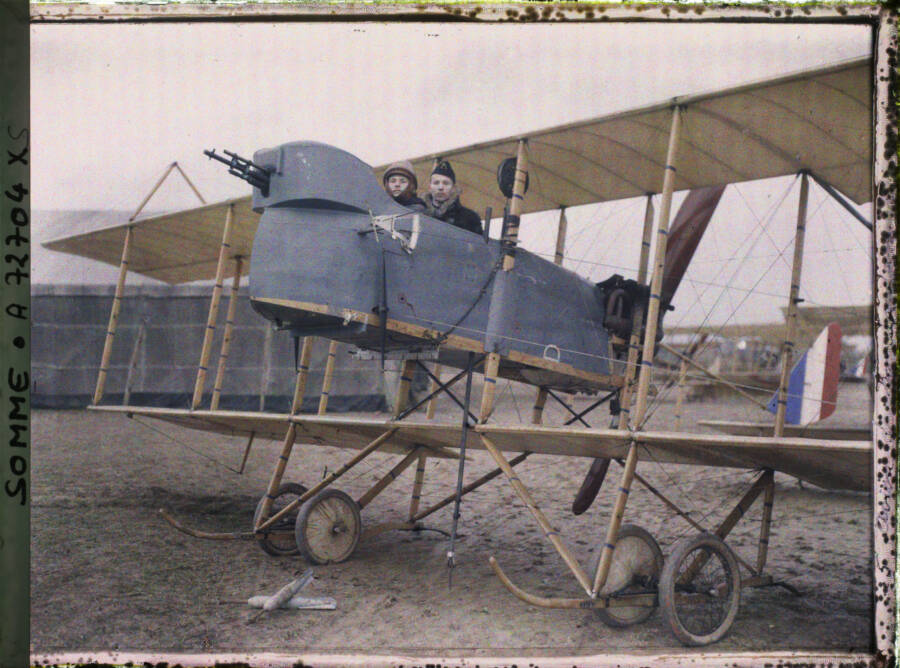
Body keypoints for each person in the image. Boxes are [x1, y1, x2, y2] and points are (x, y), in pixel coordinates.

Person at [424, 160, 483, 235]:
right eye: (436, 183)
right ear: (429, 187)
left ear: (453, 188)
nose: (440, 187)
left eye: (446, 183)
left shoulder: (470, 218)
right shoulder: (420, 213)